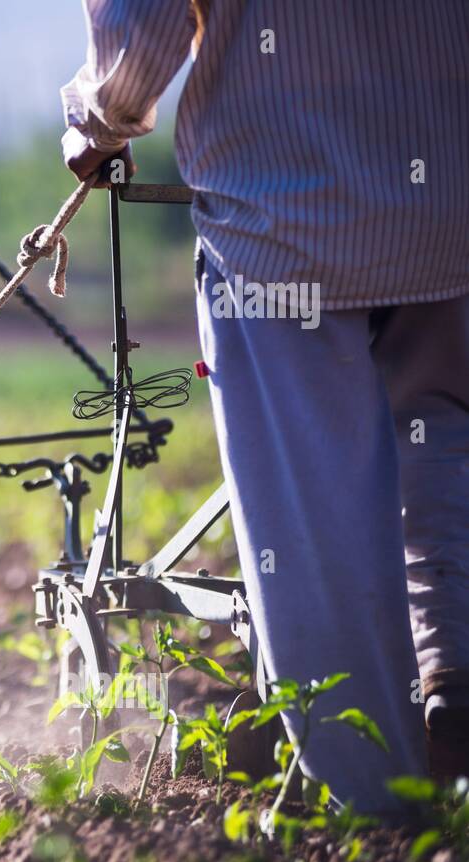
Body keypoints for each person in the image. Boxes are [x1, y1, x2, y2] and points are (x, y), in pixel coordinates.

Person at [60, 0, 469, 818]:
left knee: (316, 520)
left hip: (285, 222)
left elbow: (144, 23)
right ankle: (452, 678)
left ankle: (378, 814)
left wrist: (96, 123)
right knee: (445, 447)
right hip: (448, 204)